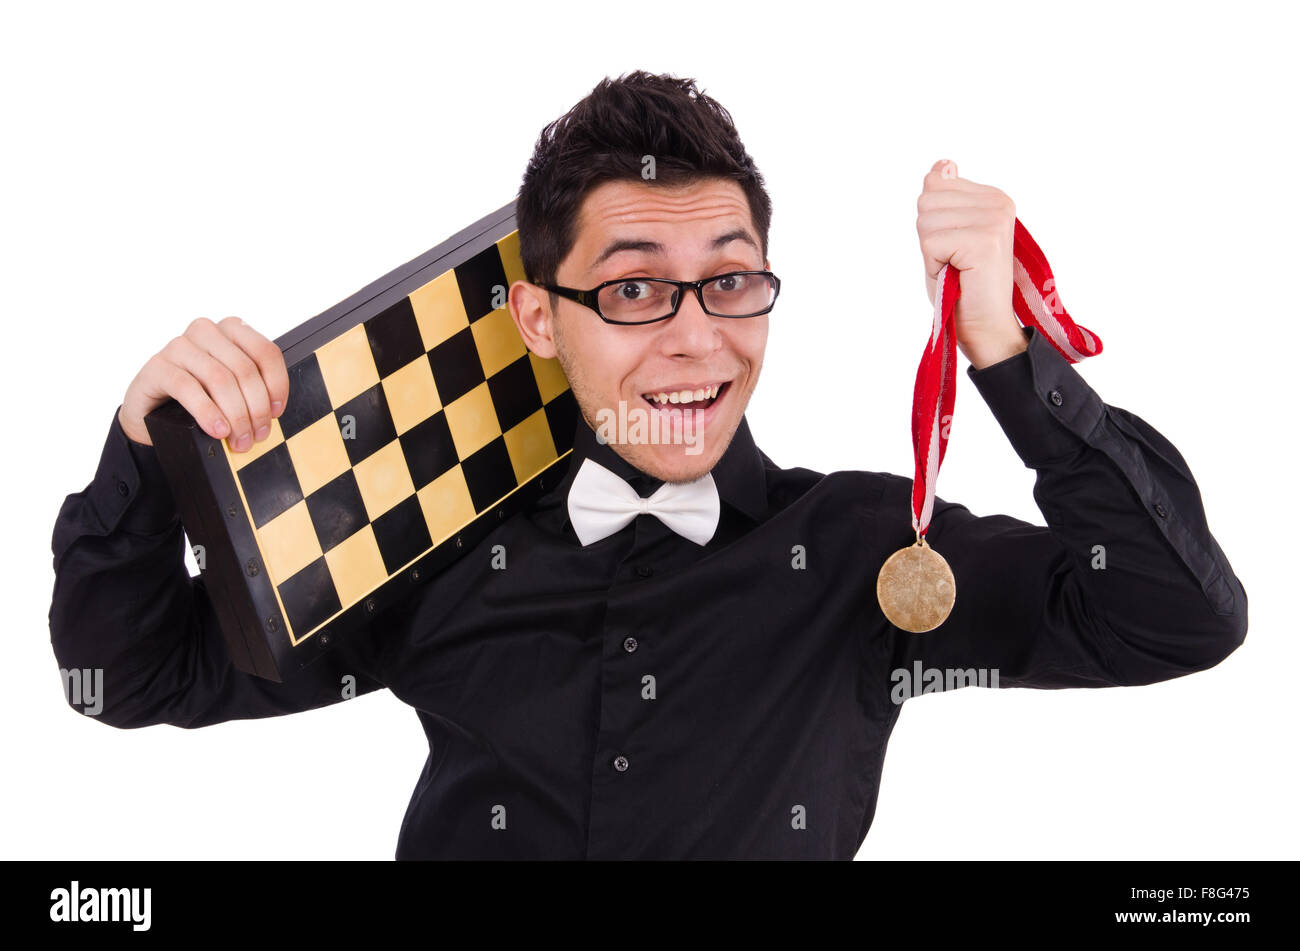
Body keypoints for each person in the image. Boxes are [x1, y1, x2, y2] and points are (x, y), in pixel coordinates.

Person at [48, 70, 1248, 859]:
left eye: (729, 279)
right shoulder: (424, 538)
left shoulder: (873, 554)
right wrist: (145, 458)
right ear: (537, 317)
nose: (692, 333)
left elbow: (1176, 617)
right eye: (631, 288)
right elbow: (132, 680)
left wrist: (1003, 349)